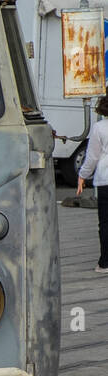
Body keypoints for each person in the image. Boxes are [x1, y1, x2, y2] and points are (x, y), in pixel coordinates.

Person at [77, 93, 108, 272]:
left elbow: (92, 157)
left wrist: (82, 176)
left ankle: (105, 262)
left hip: (105, 180)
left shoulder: (99, 128)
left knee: (105, 223)